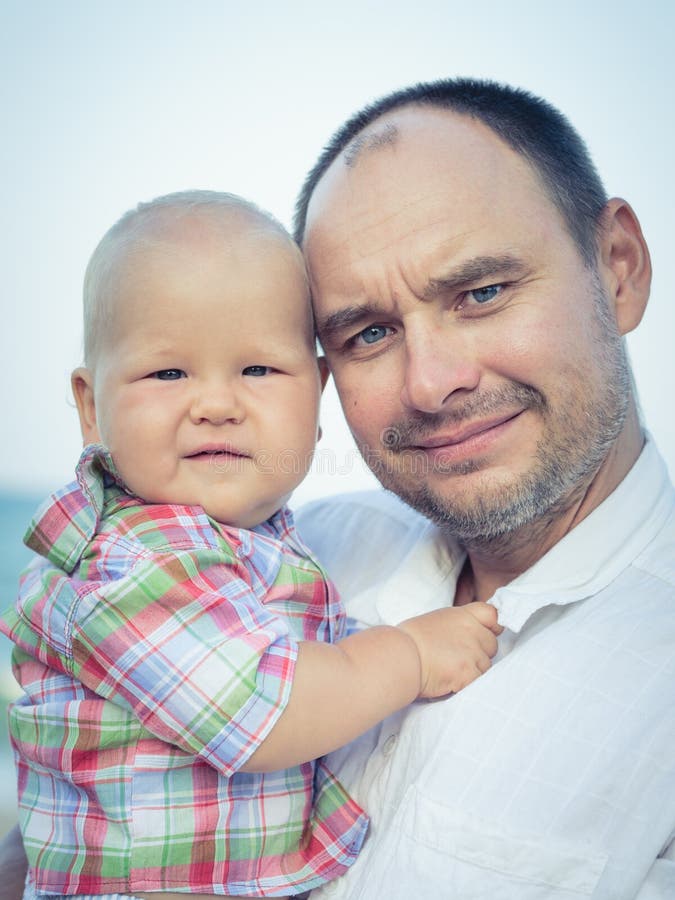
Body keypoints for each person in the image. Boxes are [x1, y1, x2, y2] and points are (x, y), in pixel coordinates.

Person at [0, 190, 502, 900]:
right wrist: (410, 654)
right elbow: (269, 712)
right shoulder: (134, 562)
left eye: (258, 370)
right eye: (167, 373)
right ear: (91, 406)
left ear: (317, 398)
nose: (216, 403)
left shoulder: (249, 543)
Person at [289, 79, 675, 897]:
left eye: (482, 293)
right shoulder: (288, 561)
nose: (430, 384)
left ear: (619, 271)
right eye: (368, 334)